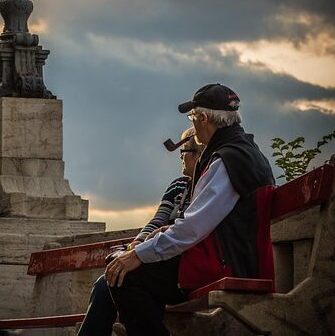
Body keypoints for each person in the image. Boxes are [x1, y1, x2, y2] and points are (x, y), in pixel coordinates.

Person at [106, 83, 276, 336]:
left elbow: (193, 228)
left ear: (204, 118)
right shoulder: (244, 151)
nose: (193, 123)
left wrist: (138, 254)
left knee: (125, 274)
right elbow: (204, 220)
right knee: (132, 274)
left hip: (227, 263)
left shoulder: (225, 160)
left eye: (192, 117)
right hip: (237, 257)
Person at [77, 128, 204, 336]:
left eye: (184, 151)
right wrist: (136, 244)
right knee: (109, 279)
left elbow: (190, 229)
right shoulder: (179, 186)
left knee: (115, 280)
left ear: (199, 155)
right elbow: (158, 220)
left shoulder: (205, 188)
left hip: (180, 267)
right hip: (157, 259)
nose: (180, 157)